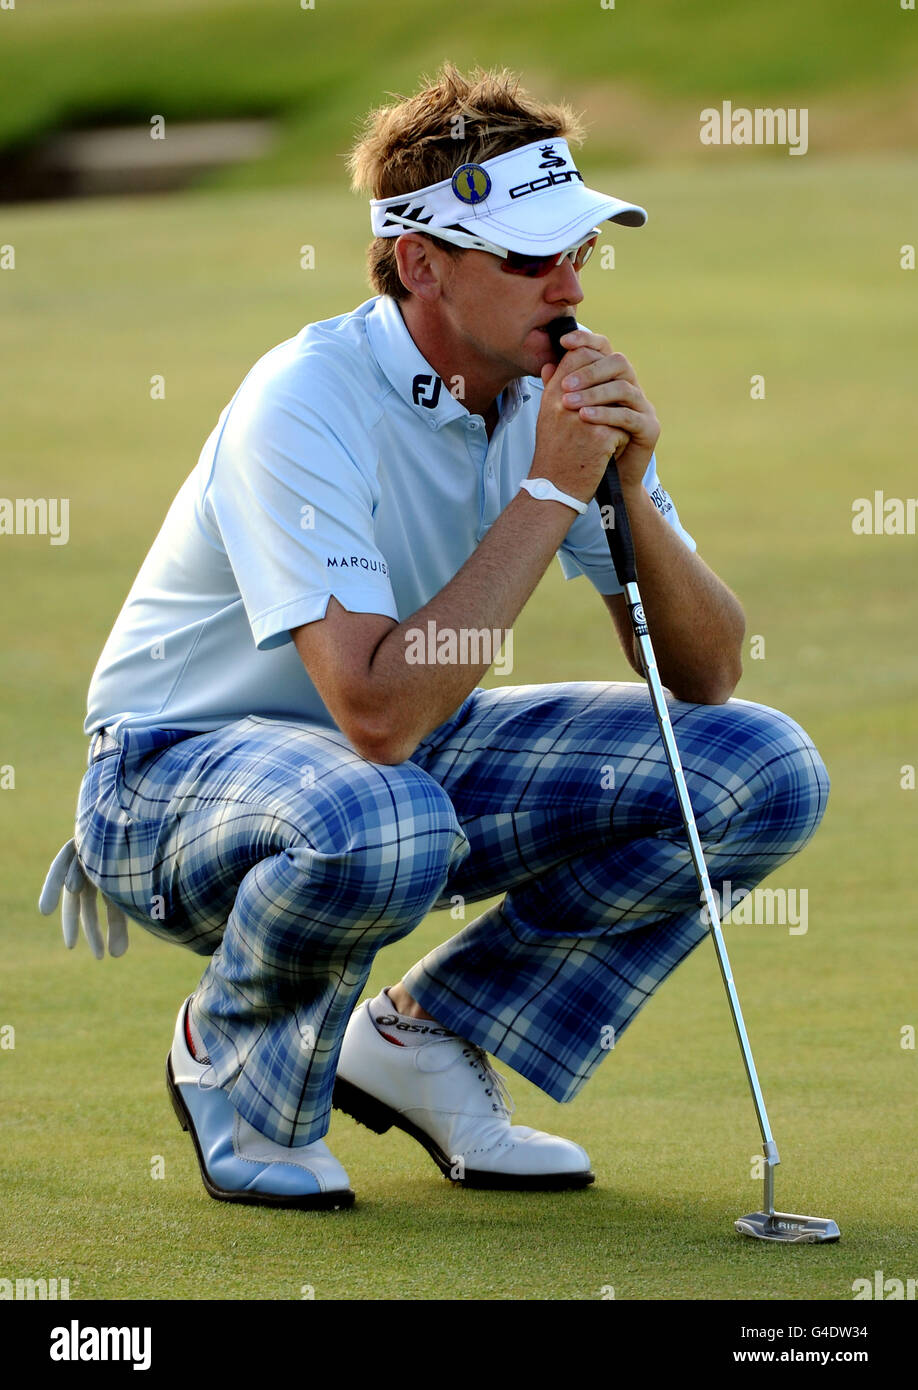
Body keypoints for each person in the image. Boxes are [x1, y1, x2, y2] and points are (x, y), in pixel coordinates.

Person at [39, 63, 829, 1210]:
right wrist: (553, 493)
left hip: (384, 766)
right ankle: (234, 1058)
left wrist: (630, 487)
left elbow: (704, 672)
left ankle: (421, 1035)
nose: (567, 285)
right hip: (168, 776)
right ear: (421, 264)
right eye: (527, 258)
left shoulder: (546, 397)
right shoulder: (304, 397)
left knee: (758, 770)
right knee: (384, 809)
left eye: (581, 254)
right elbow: (374, 709)